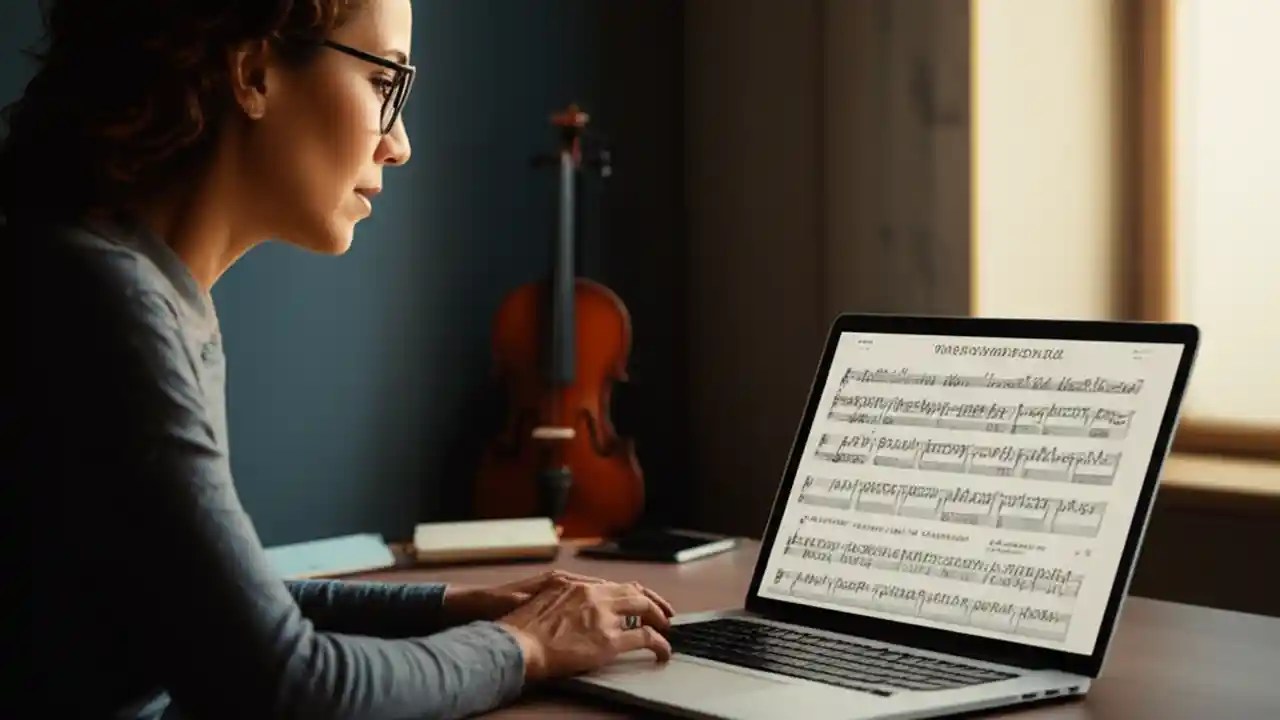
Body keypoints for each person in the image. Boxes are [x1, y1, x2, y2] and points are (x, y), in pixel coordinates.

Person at [2, 1, 676, 718]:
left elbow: (217, 613)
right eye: (385, 82)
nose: (399, 144)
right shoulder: (109, 302)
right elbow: (286, 684)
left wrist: (455, 608)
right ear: (253, 73)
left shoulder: (126, 283)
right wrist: (526, 646)